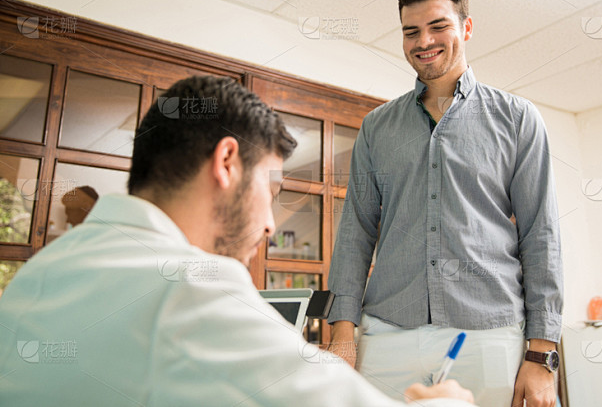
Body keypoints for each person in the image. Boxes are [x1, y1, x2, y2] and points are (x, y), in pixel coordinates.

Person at [0, 76, 474, 406]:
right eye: (270, 192)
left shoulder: (38, 276)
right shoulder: (188, 289)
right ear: (227, 162)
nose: (270, 224)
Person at [327, 0, 563, 407]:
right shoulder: (377, 127)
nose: (424, 41)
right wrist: (343, 332)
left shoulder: (517, 119)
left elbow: (541, 236)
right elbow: (355, 232)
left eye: (438, 26)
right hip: (387, 336)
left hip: (488, 334)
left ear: (466, 29)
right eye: (411, 31)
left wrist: (542, 352)